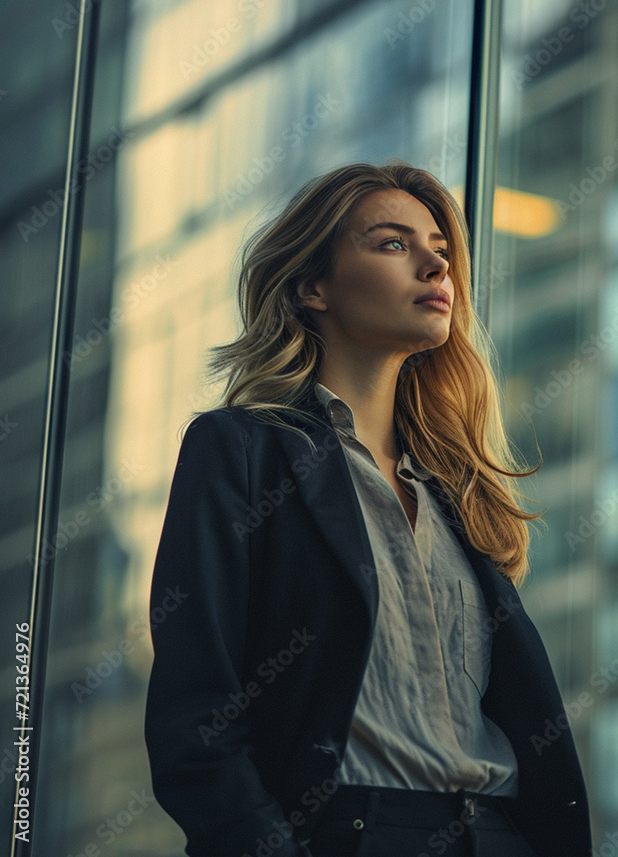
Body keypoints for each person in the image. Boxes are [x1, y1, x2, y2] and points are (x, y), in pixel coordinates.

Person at [144, 161, 592, 857]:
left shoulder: (458, 487)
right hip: (355, 833)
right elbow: (196, 714)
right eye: (392, 244)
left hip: (498, 833)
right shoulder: (242, 450)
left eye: (440, 252)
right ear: (311, 287)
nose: (435, 267)